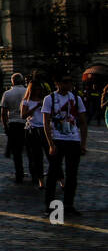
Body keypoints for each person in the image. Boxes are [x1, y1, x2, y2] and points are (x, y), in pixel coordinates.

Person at [42, 75, 87, 217]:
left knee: (72, 174)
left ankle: (68, 204)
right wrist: (50, 143)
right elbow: (46, 123)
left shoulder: (76, 98)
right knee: (53, 173)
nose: (69, 84)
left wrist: (83, 143)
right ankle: (49, 205)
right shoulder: (50, 99)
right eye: (65, 81)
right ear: (57, 83)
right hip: (57, 139)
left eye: (70, 81)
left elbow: (83, 122)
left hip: (73, 139)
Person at [20, 76, 49, 189]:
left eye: (39, 89)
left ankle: (58, 178)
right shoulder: (26, 101)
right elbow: (23, 115)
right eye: (36, 89)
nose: (38, 91)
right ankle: (39, 179)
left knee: (50, 154)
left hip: (45, 128)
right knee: (37, 156)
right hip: (32, 129)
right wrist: (36, 106)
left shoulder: (45, 100)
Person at [0, 73, 27, 184]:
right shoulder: (27, 92)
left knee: (17, 152)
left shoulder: (7, 93)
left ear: (12, 81)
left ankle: (19, 173)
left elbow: (4, 113)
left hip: (14, 123)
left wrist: (5, 125)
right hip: (27, 123)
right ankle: (36, 174)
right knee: (31, 150)